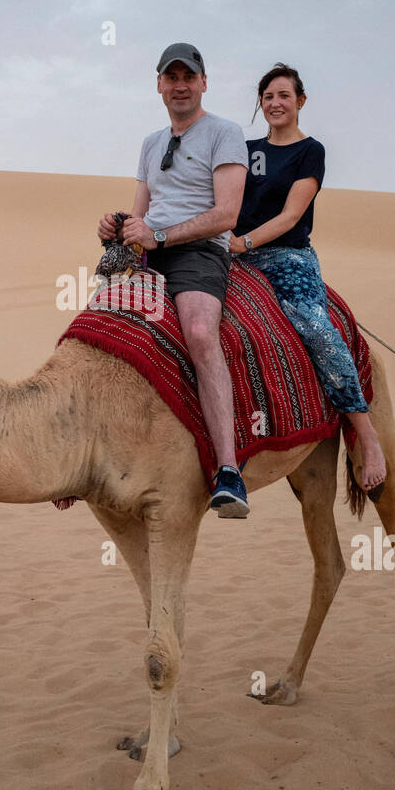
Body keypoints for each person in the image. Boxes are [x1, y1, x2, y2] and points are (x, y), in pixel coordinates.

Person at [98, 43, 251, 516]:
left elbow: (226, 214)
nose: (180, 85)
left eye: (189, 76)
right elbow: (140, 213)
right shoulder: (150, 143)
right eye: (171, 77)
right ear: (159, 85)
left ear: (203, 83)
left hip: (199, 252)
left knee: (202, 333)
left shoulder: (225, 133)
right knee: (96, 329)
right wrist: (118, 226)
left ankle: (229, 471)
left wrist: (158, 235)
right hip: (149, 250)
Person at [229, 62, 386, 489]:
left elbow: (291, 215)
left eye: (283, 95)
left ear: (300, 101)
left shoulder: (309, 151)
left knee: (317, 329)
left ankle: (366, 435)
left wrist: (243, 244)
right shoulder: (244, 149)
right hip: (233, 257)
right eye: (267, 97)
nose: (275, 103)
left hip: (285, 257)